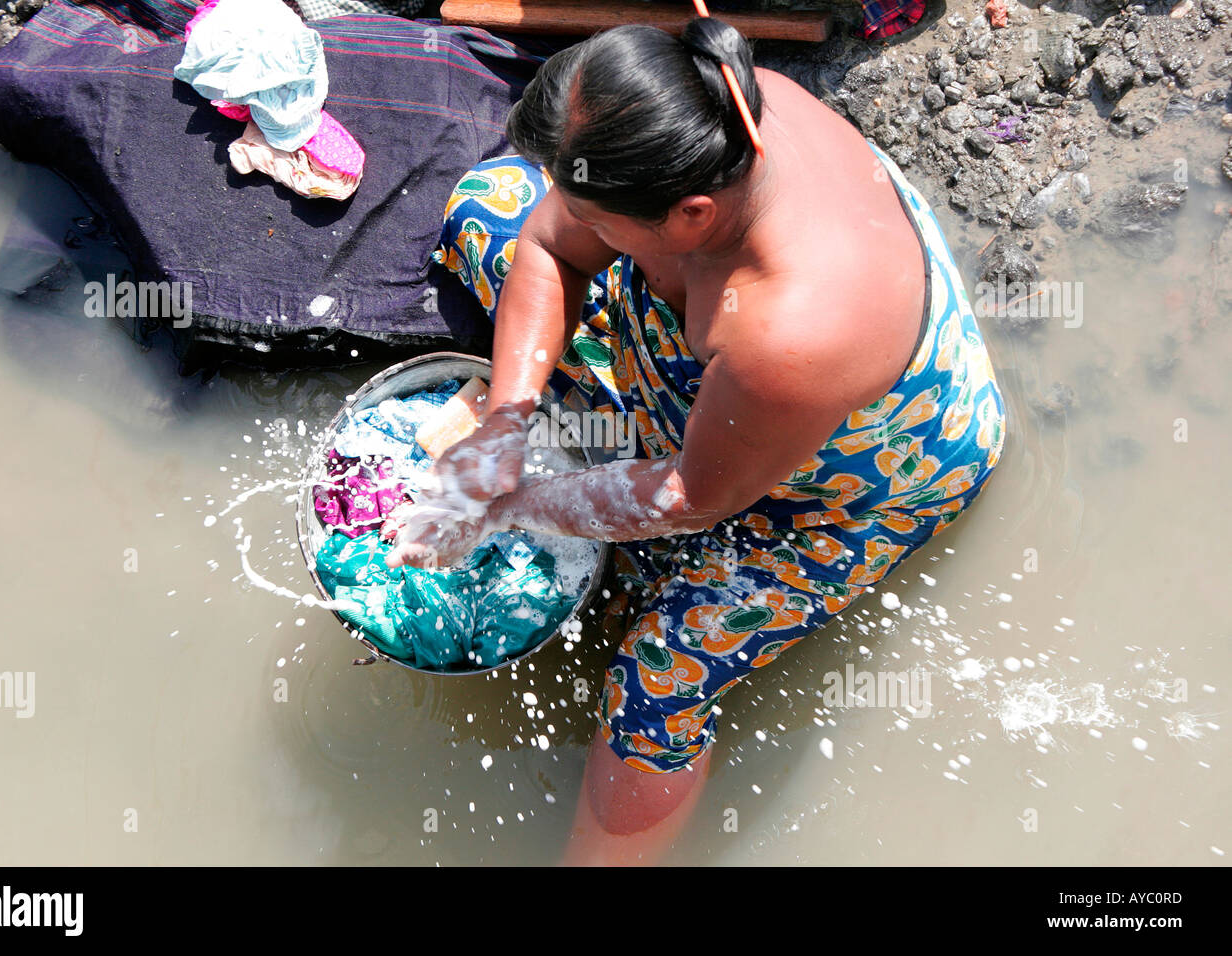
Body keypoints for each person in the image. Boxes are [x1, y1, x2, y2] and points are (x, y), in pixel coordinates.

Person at [389, 17, 1006, 864]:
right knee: (484, 209)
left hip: (850, 481)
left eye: (597, 221)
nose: (570, 222)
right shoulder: (715, 115)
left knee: (659, 676)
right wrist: (506, 422)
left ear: (690, 215)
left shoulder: (795, 330)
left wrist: (503, 509)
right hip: (719, 372)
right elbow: (543, 241)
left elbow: (692, 499)